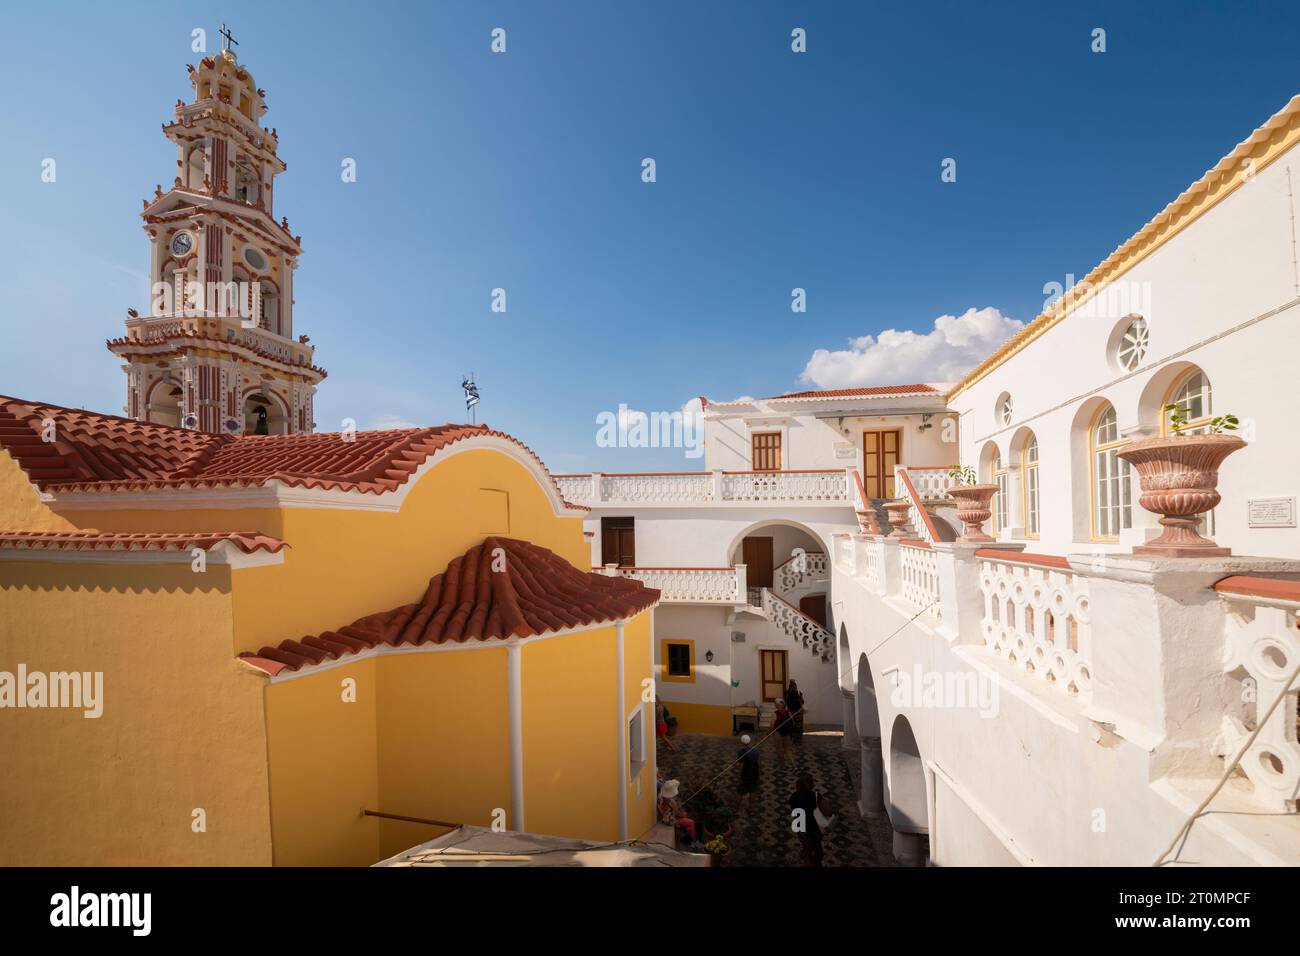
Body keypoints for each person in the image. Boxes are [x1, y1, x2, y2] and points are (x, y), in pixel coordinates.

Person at [788, 772, 827, 867]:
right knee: (817, 849)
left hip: (801, 825)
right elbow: (828, 812)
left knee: (807, 844)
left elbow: (794, 809)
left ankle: (807, 854)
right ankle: (812, 862)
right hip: (814, 827)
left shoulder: (794, 796)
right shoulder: (816, 796)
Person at [658, 779, 697, 847]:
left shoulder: (660, 796)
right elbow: (677, 813)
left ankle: (686, 832)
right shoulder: (671, 802)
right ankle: (694, 841)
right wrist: (683, 815)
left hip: (665, 818)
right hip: (670, 820)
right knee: (691, 822)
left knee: (686, 816)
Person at [736, 734, 760, 813]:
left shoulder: (741, 752)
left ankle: (736, 810)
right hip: (754, 774)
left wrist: (740, 777)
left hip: (745, 774)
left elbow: (741, 765)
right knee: (752, 791)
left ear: (741, 742)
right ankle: (751, 809)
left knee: (740, 792)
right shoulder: (755, 750)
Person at [785, 680, 805, 748]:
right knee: (791, 727)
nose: (794, 689)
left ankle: (798, 741)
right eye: (792, 687)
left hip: (798, 712)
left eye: (795, 687)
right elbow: (786, 702)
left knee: (799, 728)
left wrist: (800, 699)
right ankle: (792, 740)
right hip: (790, 712)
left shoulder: (799, 693)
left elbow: (802, 702)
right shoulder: (786, 693)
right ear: (790, 687)